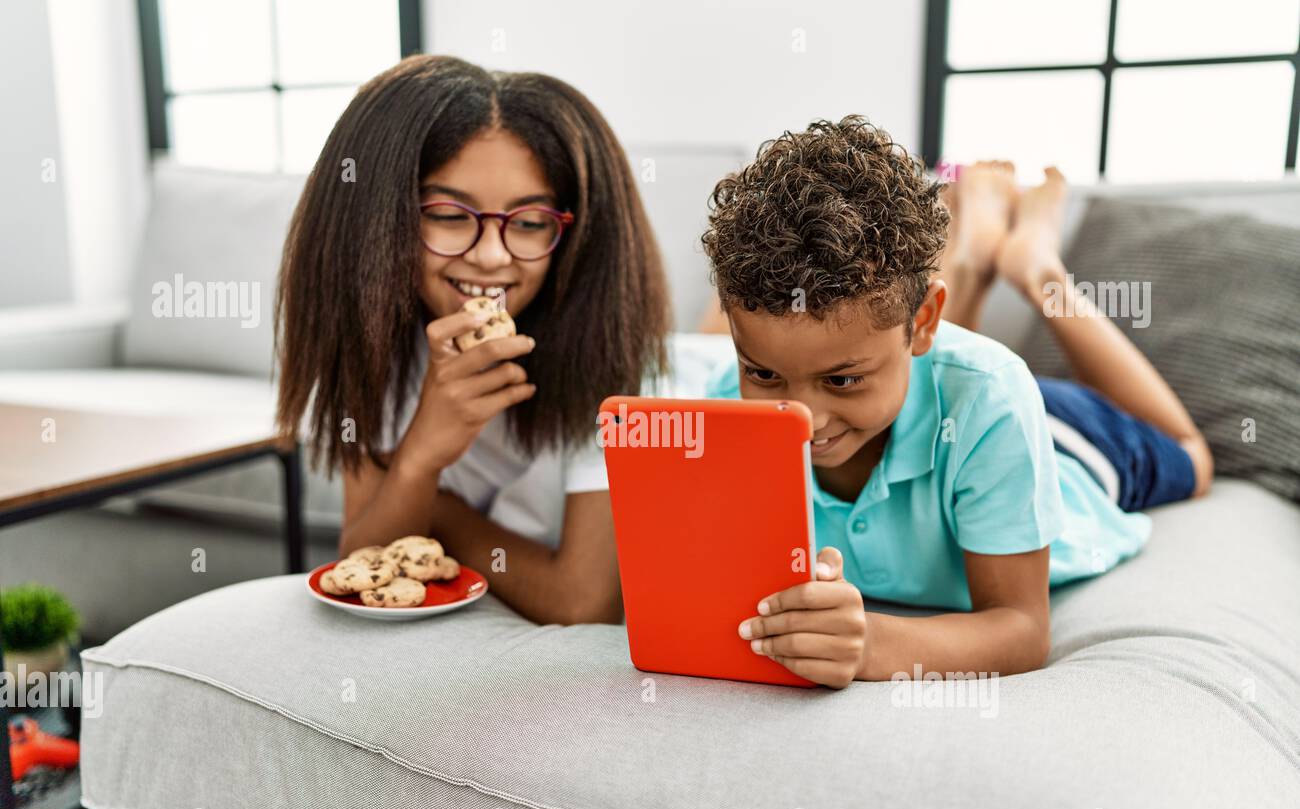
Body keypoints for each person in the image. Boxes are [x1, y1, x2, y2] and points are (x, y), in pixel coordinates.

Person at [701, 116, 1213, 687]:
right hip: (934, 393)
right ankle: (970, 255)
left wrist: (871, 643)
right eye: (764, 373)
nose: (803, 419)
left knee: (1194, 460)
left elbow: (1021, 628)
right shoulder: (726, 410)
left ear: (924, 322)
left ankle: (1038, 271)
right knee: (930, 387)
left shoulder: (993, 400)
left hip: (1066, 439)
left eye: (842, 381)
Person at [276, 56, 670, 624]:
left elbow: (585, 603)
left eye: (531, 222)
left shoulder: (617, 365)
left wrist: (442, 509)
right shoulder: (382, 340)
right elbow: (364, 567)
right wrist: (421, 456)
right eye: (447, 214)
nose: (490, 256)